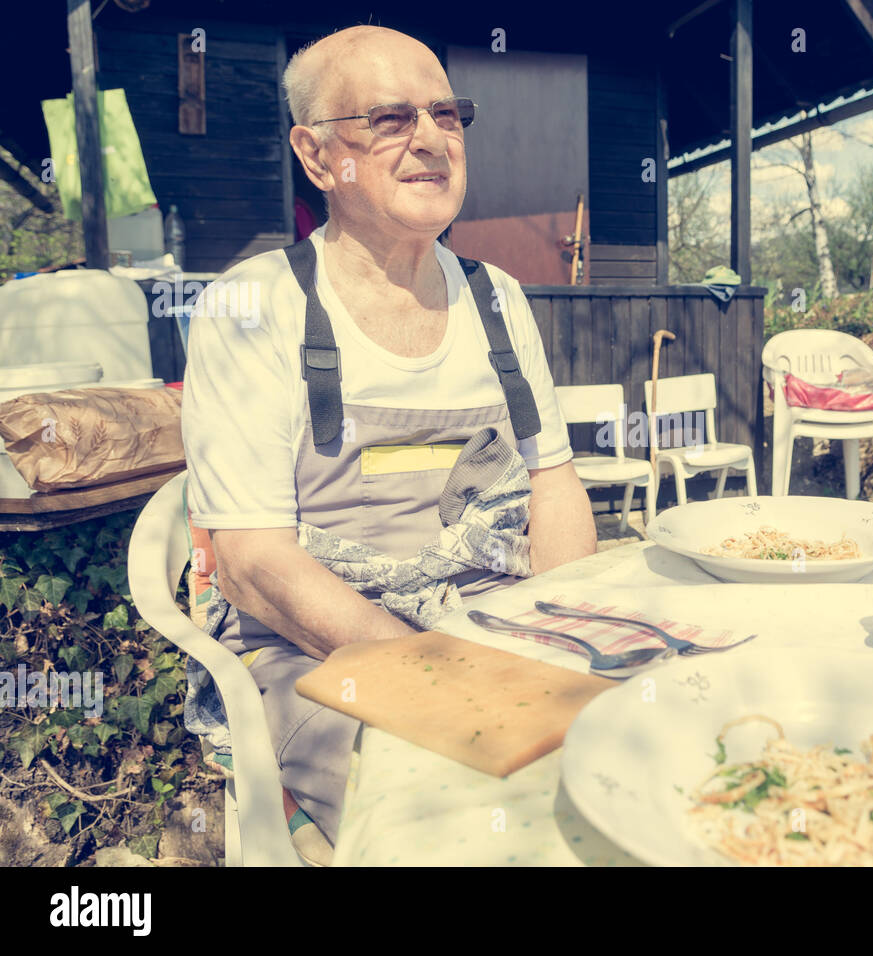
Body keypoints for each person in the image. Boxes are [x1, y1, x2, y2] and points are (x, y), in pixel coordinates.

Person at [180, 25, 596, 863]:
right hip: (318, 652)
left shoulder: (499, 300)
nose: (433, 139)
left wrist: (565, 642)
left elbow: (554, 488)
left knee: (626, 759)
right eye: (390, 118)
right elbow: (255, 564)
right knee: (466, 820)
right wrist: (444, 682)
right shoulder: (251, 308)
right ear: (314, 152)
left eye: (447, 112)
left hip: (495, 632)